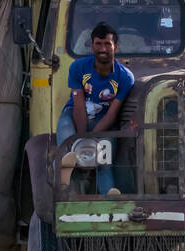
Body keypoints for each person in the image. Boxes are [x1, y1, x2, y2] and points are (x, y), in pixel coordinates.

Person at [57, 21, 134, 195]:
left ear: (116, 46)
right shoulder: (78, 68)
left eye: (108, 44)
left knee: (104, 160)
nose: (103, 49)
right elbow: (77, 105)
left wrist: (93, 138)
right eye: (98, 44)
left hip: (104, 120)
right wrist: (81, 138)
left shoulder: (125, 77)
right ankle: (62, 175)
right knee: (65, 133)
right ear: (92, 46)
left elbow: (113, 113)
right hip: (77, 115)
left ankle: (109, 196)